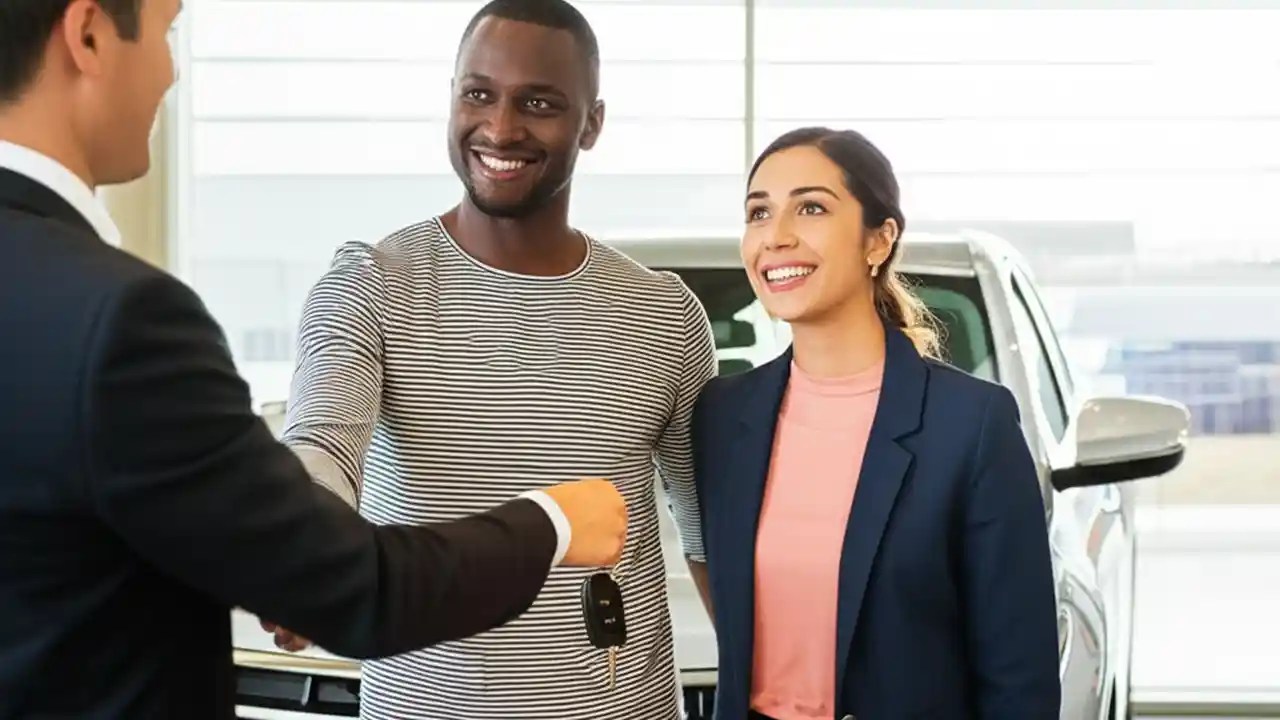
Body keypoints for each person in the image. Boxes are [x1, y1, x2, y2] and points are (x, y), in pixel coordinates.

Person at [0, 0, 630, 717]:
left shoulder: (660, 310)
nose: (172, 72)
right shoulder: (120, 318)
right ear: (87, 36)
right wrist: (554, 520)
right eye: (169, 33)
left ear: (590, 121)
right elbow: (352, 572)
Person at [265, 0, 717, 717]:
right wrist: (303, 544)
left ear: (592, 123)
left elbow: (706, 533)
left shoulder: (663, 313)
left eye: (538, 103)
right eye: (479, 94)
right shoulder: (371, 283)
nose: (501, 128)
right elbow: (321, 443)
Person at [691, 127, 1062, 720]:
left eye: (810, 208)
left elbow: (1020, 681)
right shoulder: (723, 416)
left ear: (879, 239)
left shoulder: (971, 425)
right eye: (758, 213)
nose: (776, 236)